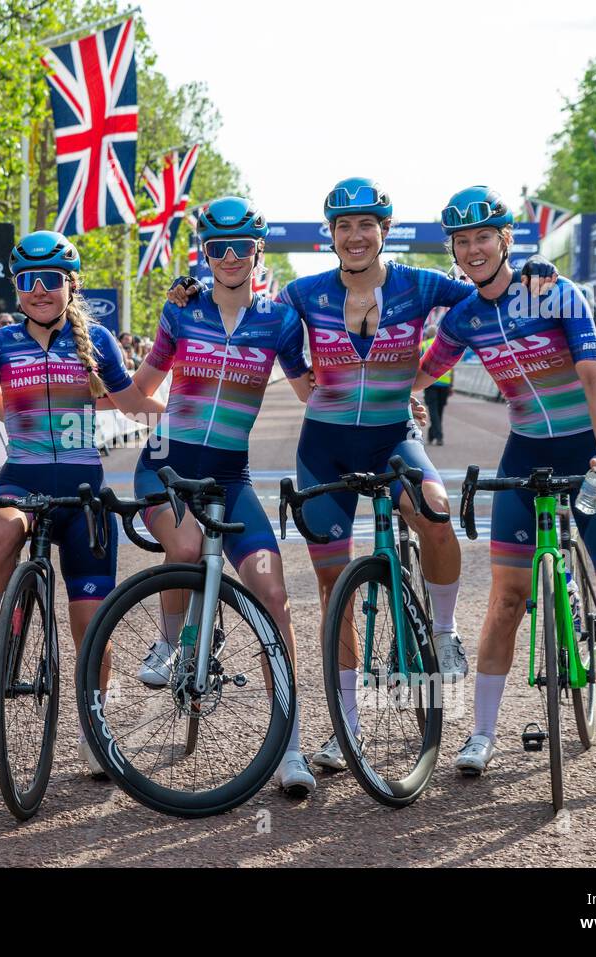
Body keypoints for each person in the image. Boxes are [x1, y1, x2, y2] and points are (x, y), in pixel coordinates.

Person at [168, 179, 557, 775]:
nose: (355, 236)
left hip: (391, 437)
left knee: (434, 508)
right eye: (344, 227)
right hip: (324, 447)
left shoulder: (421, 285)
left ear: (384, 230)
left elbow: (487, 292)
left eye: (366, 225)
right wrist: (192, 292)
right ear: (331, 236)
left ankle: (446, 634)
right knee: (333, 591)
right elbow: (245, 305)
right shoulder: (304, 293)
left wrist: (532, 274)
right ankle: (345, 726)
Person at [413, 185, 596, 787]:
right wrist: (397, 400)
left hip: (589, 453)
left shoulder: (555, 295)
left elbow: (594, 377)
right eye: (462, 241)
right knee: (505, 602)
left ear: (505, 240)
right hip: (525, 454)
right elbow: (421, 371)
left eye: (482, 238)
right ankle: (483, 736)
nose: (472, 250)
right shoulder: (466, 316)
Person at [0, 230, 166, 777]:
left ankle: (96, 725)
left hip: (83, 492)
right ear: (18, 288)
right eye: (29, 282)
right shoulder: (1, 344)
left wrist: (185, 411)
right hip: (22, 479)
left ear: (71, 286)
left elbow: (135, 402)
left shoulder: (100, 343)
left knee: (93, 628)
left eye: (51, 281)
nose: (40, 291)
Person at [133, 197, 320, 796]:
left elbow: (311, 390)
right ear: (205, 253)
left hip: (230, 478)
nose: (230, 257)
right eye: (219, 248)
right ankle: (167, 644)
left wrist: (388, 400)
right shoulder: (180, 309)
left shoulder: (279, 320)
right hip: (164, 466)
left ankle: (290, 746)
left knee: (272, 591)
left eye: (241, 247)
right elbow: (141, 387)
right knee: (185, 546)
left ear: (257, 252)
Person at [421, 320, 453, 446]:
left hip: (429, 383)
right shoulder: (447, 346)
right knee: (439, 412)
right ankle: (433, 435)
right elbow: (452, 366)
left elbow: (419, 365)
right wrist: (451, 385)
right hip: (445, 383)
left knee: (433, 412)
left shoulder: (424, 345)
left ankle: (438, 436)